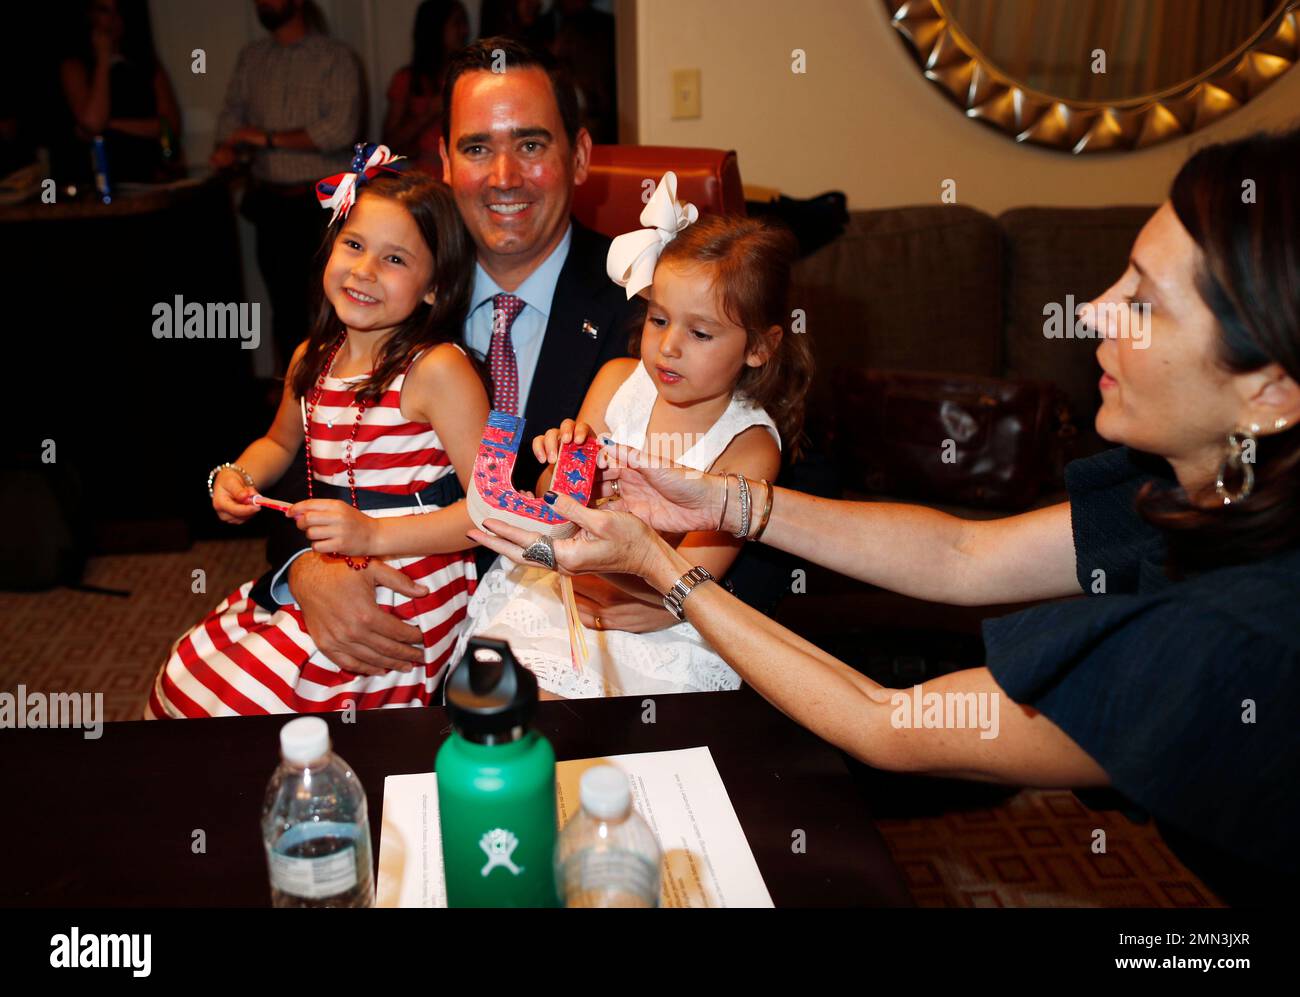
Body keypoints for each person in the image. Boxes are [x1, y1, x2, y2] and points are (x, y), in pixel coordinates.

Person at [470, 128, 1300, 903]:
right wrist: (721, 500)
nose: (1091, 311)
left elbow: (889, 721)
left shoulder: (1239, 638)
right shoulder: (1187, 489)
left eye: (1144, 302)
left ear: (1269, 390)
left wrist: (662, 567)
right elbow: (964, 555)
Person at [251, 38, 641, 679]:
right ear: (445, 162)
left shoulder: (647, 311)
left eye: (531, 144)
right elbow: (303, 455)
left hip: (580, 640)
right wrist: (307, 567)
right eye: (477, 148)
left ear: (579, 157)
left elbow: (747, 471)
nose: (504, 177)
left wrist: (672, 599)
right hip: (398, 626)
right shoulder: (381, 289)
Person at [146, 162, 486, 718]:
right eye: (354, 245)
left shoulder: (438, 369)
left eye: (395, 259)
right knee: (190, 674)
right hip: (336, 559)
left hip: (412, 576)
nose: (365, 270)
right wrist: (237, 474)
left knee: (247, 700)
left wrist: (373, 534)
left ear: (435, 288)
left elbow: (490, 510)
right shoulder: (313, 357)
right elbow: (279, 445)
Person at [457, 200, 813, 698]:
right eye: (658, 319)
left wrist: (625, 583)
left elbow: (690, 583)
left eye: (700, 332)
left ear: (759, 347)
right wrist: (560, 469)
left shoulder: (749, 448)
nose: (668, 347)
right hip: (559, 592)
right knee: (497, 699)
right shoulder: (615, 380)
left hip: (653, 623)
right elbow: (553, 502)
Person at [211, 0, 363, 371]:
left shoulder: (335, 57)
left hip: (323, 204)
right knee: (284, 307)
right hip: (271, 202)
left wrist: (264, 138)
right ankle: (292, 390)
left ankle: (343, 389)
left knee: (335, 304)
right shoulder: (252, 57)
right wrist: (231, 147)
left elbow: (339, 130)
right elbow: (229, 122)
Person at [58, 0, 182, 183]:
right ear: (90, 15)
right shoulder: (75, 67)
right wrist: (103, 59)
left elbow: (170, 125)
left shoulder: (145, 63)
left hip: (152, 175)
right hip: (104, 178)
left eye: (118, 11)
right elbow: (93, 123)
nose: (112, 19)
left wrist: (112, 125)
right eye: (104, 10)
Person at [382, 1, 470, 173]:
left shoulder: (469, 76)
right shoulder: (407, 79)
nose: (465, 31)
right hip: (421, 177)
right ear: (437, 28)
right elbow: (388, 144)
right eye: (457, 23)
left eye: (464, 23)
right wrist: (428, 114)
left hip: (463, 171)